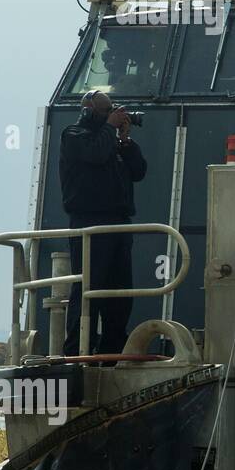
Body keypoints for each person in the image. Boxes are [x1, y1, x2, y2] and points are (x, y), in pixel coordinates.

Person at [59, 90, 147, 355]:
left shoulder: (113, 142)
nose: (112, 115)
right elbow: (95, 154)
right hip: (89, 223)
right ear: (87, 111)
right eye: (105, 110)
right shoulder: (74, 135)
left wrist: (125, 139)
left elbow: (139, 171)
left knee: (119, 294)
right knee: (88, 289)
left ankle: (112, 352)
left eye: (113, 110)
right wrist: (110, 127)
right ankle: (77, 351)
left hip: (119, 224)